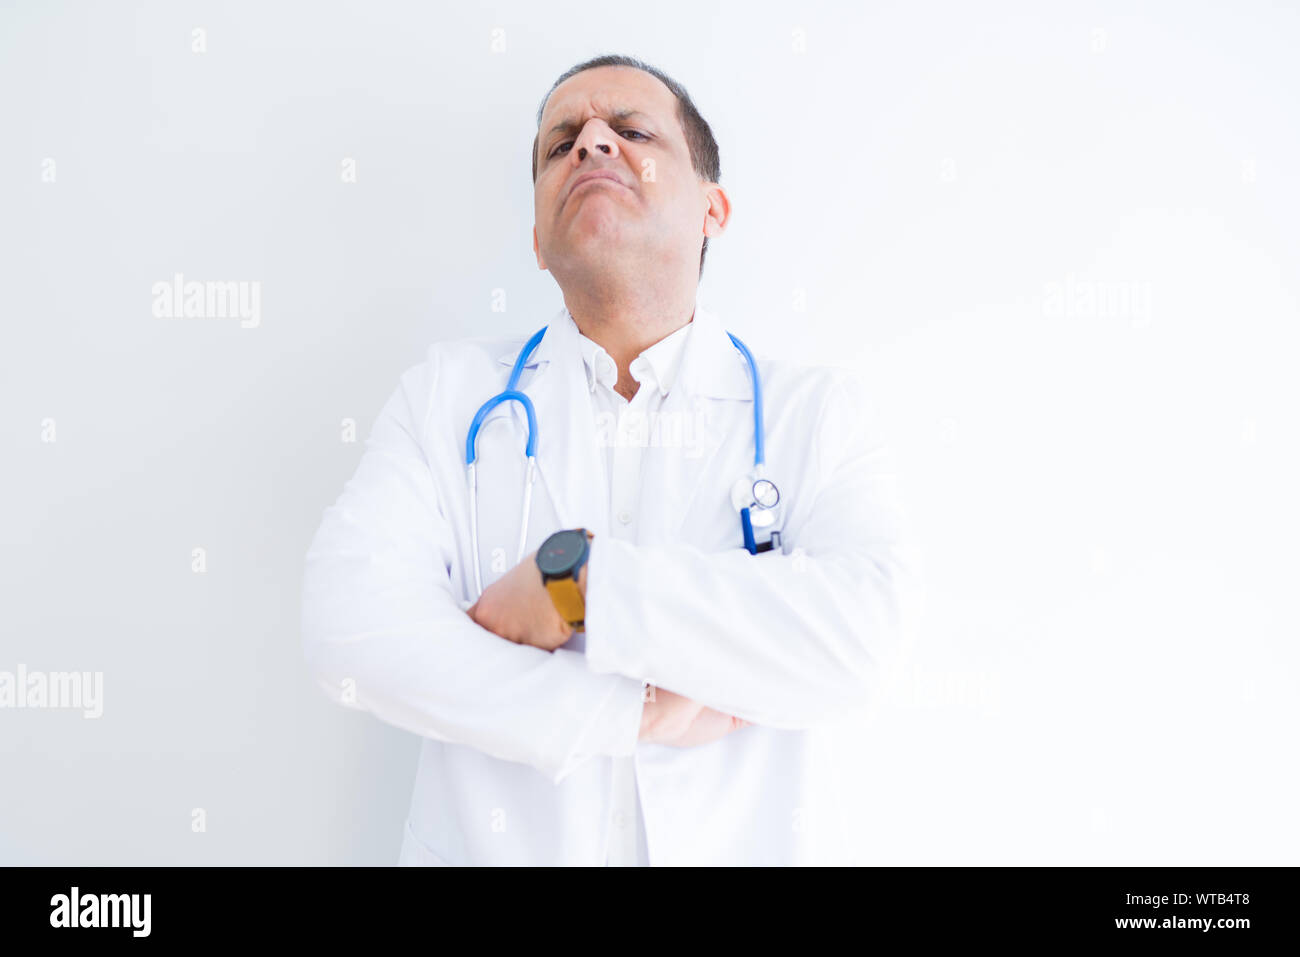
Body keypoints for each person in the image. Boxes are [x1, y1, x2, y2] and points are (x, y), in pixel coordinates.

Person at [301, 53, 920, 866]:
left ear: (712, 209)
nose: (590, 143)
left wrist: (586, 584)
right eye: (561, 143)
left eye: (631, 130)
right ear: (535, 238)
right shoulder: (447, 399)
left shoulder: (815, 415)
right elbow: (351, 630)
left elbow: (862, 641)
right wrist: (624, 712)